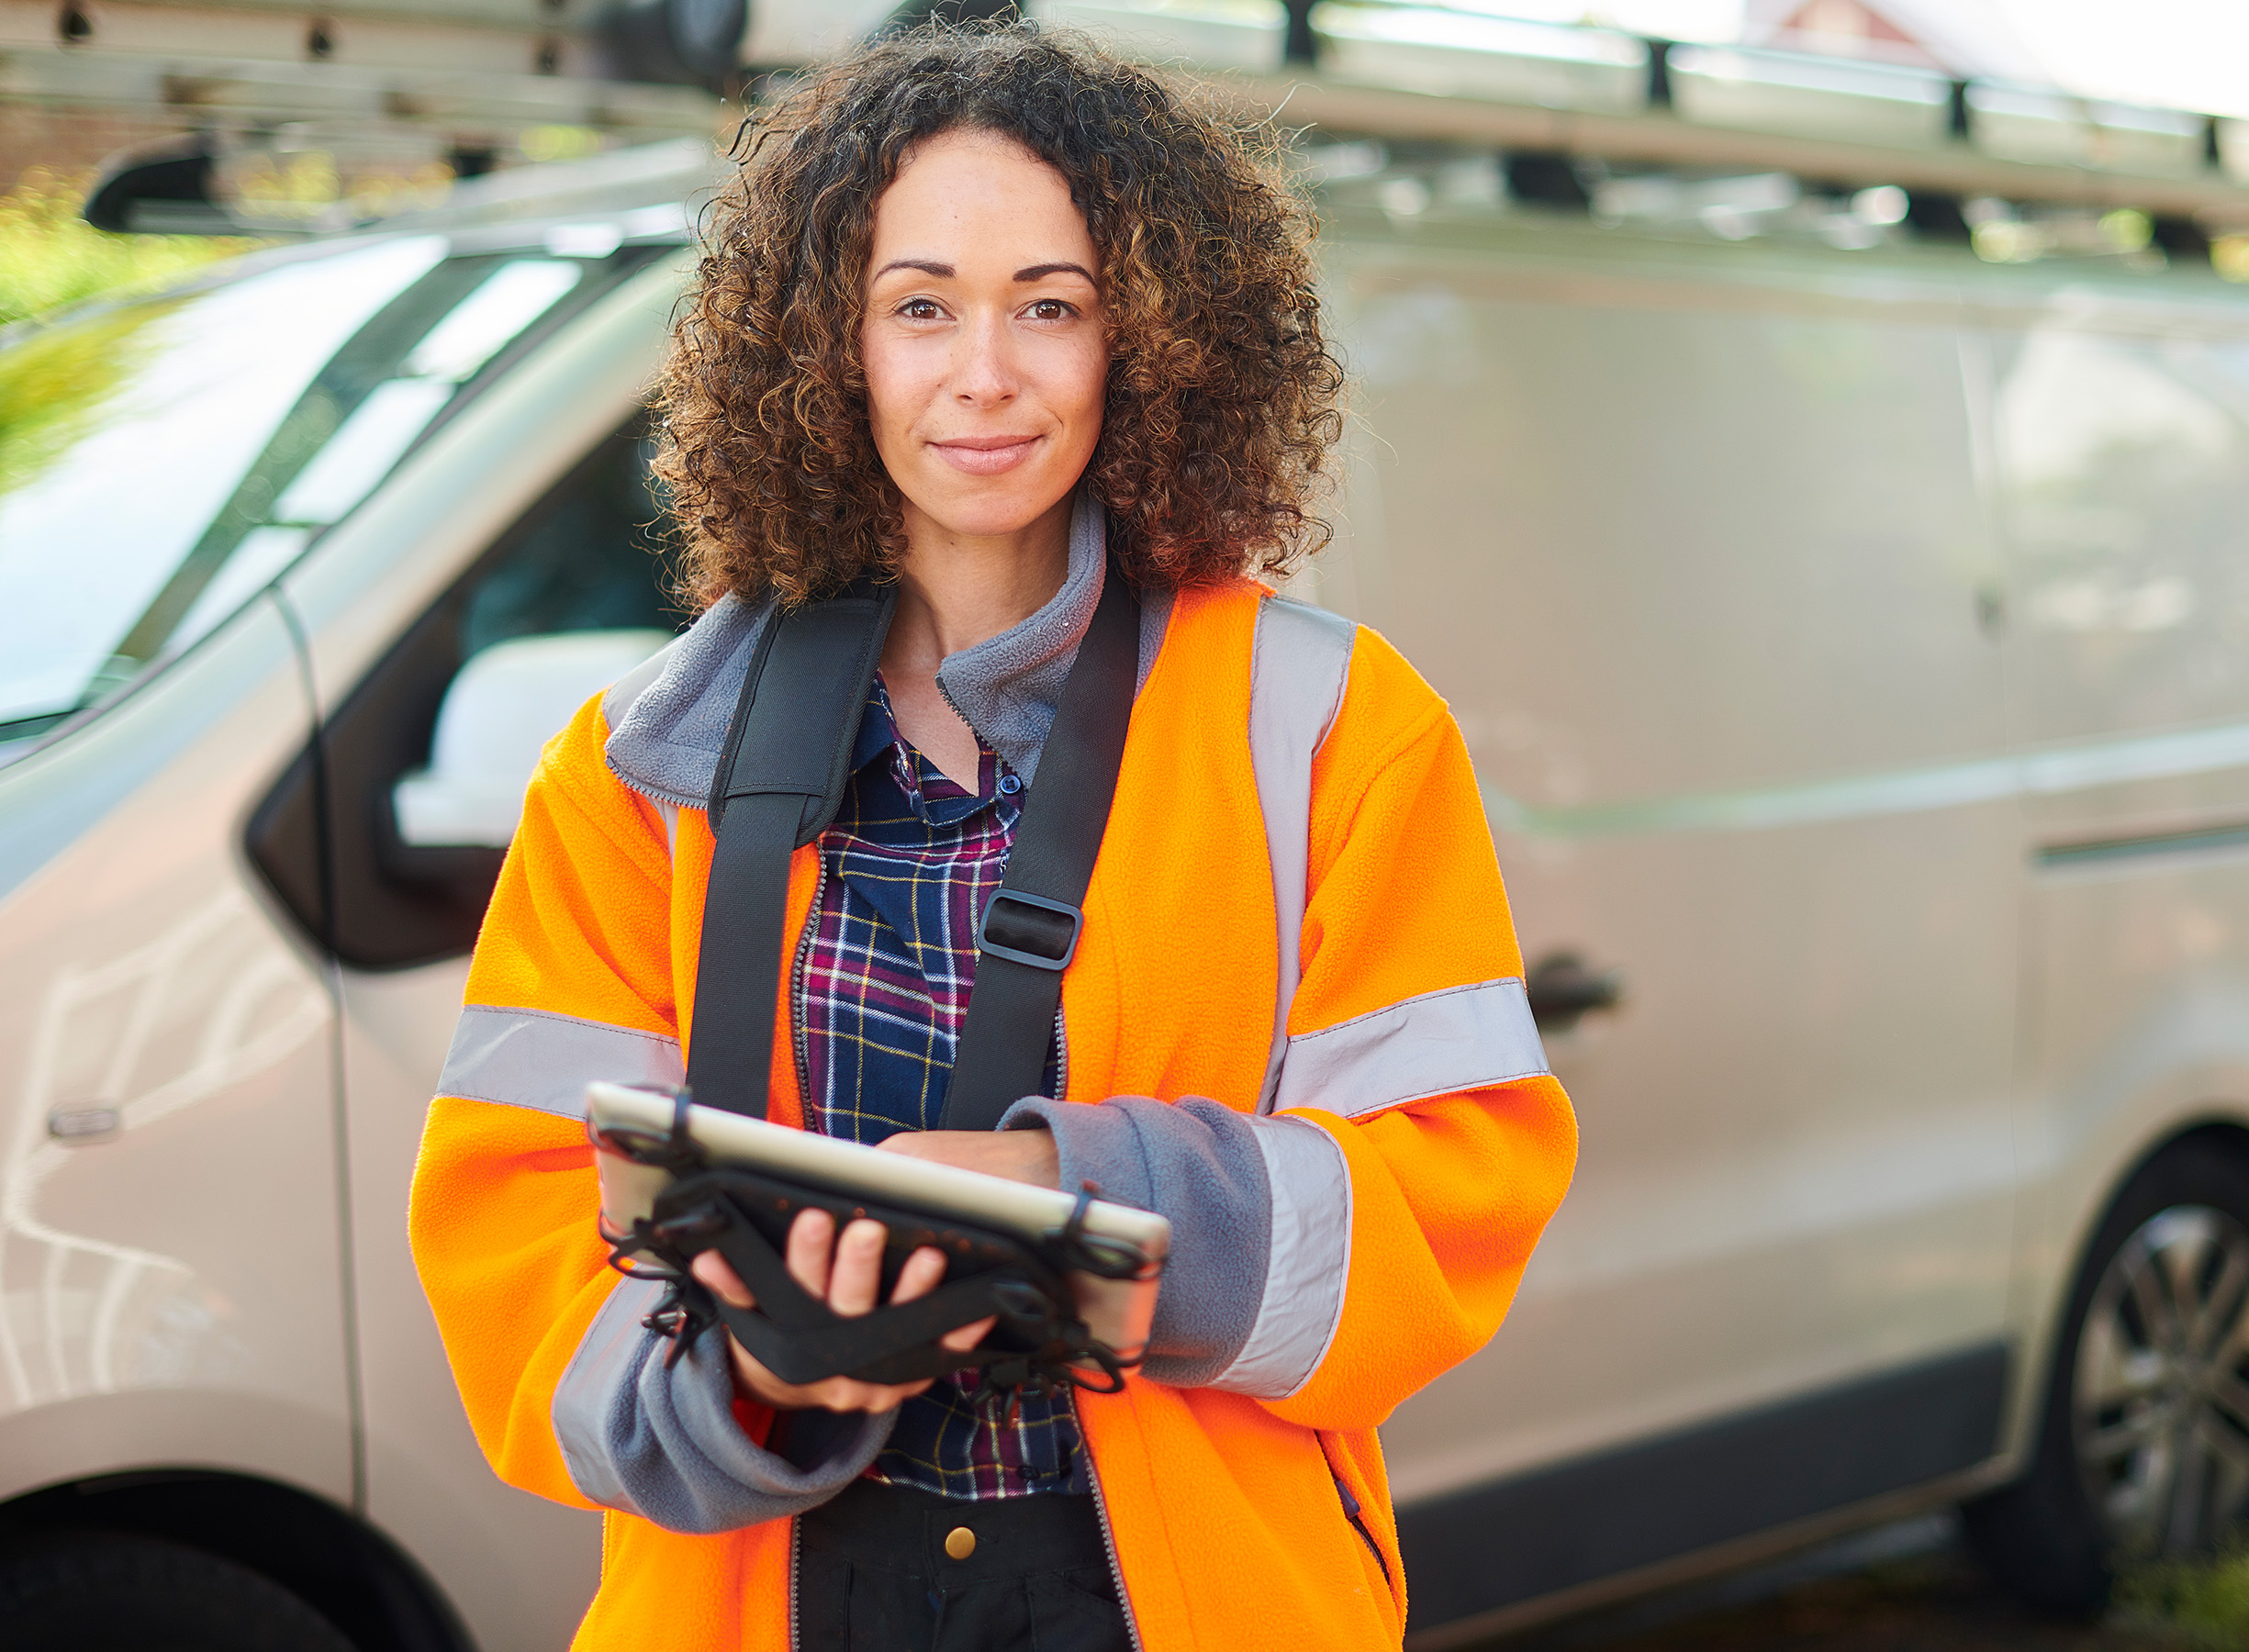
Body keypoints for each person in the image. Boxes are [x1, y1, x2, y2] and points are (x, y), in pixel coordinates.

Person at [408, 24, 1577, 1652]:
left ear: (1149, 342)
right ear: (828, 349)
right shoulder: (632, 772)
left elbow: (1457, 1188)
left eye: (1051, 304)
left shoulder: (1328, 724)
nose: (983, 373)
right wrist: (750, 1376)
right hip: (775, 1593)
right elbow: (511, 1219)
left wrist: (1068, 1187)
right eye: (919, 307)